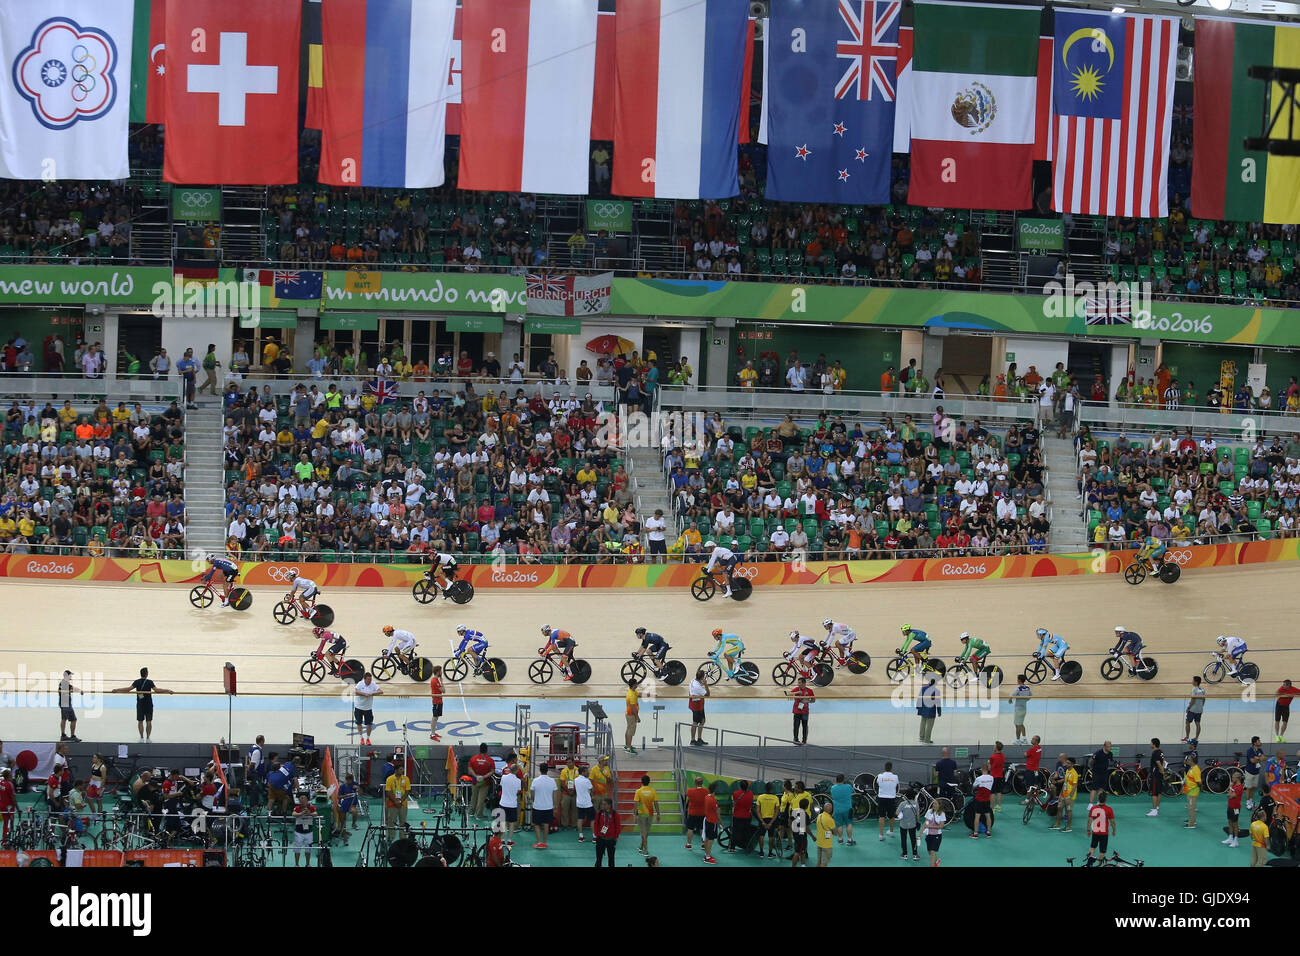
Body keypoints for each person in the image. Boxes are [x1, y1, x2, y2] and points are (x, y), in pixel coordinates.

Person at [111, 667, 174, 743]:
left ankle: (141, 738)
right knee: (149, 721)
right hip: (148, 705)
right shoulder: (150, 682)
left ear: (140, 674)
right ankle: (148, 738)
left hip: (140, 704)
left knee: (140, 721)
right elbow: (157, 690)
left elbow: (128, 689)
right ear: (147, 674)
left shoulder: (137, 682)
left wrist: (117, 690)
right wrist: (167, 690)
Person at [530, 763, 558, 850]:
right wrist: (555, 805)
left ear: (540, 770)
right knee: (546, 824)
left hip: (537, 806)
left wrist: (534, 800)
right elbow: (555, 795)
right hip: (548, 807)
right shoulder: (552, 781)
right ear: (547, 770)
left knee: (537, 824)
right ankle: (545, 842)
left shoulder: (535, 781)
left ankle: (539, 842)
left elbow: (532, 794)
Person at [633, 773, 661, 855]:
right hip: (650, 814)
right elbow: (656, 803)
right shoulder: (653, 791)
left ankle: (646, 850)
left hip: (641, 814)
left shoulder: (638, 791)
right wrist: (658, 814)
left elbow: (636, 804)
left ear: (641, 782)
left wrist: (635, 815)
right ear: (649, 782)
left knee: (643, 833)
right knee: (646, 832)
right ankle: (641, 846)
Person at [352, 671, 382, 745]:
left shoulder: (373, 684)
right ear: (364, 679)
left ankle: (368, 739)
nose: (369, 681)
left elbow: (381, 691)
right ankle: (361, 738)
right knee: (359, 723)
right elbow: (355, 691)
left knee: (369, 724)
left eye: (370, 680)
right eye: (368, 680)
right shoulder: (360, 683)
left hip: (368, 708)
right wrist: (364, 694)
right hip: (358, 707)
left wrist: (372, 693)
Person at [1086, 793, 1116, 864]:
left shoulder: (1093, 808)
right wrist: (1114, 830)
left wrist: (1088, 830)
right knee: (1102, 851)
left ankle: (1089, 863)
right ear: (1105, 800)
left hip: (1095, 832)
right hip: (1104, 834)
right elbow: (1112, 822)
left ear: (1098, 799)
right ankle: (1099, 865)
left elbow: (1089, 820)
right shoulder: (1109, 809)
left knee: (1092, 847)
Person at [383, 761, 411, 838]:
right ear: (396, 770)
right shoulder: (389, 779)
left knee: (403, 822)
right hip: (392, 804)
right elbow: (388, 792)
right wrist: (395, 801)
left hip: (403, 804)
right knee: (391, 822)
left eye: (403, 769)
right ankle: (391, 837)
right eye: (401, 769)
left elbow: (407, 791)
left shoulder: (406, 779)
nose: (403, 771)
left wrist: (400, 801)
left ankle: (402, 838)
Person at [468, 743, 496, 818]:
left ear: (479, 749)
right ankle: (479, 814)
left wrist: (476, 776)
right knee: (481, 798)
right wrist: (483, 777)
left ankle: (471, 812)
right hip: (485, 782)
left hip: (475, 780)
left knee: (473, 797)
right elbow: (492, 771)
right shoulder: (490, 760)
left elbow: (470, 769)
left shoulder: (473, 759)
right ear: (486, 750)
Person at [754, 782, 781, 858]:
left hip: (762, 818)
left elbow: (757, 810)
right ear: (772, 789)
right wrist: (771, 823)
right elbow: (776, 811)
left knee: (761, 835)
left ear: (765, 788)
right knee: (771, 836)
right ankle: (770, 853)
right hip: (771, 820)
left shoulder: (760, 797)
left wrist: (762, 821)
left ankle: (761, 852)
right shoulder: (775, 798)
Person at [291, 791, 317, 866]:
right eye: (300, 800)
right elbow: (293, 814)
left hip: (309, 832)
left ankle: (308, 864)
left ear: (307, 801)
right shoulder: (297, 808)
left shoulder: (311, 807)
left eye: (303, 800)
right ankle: (296, 864)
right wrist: (301, 814)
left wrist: (309, 814)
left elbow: (315, 814)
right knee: (297, 850)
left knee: (308, 849)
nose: (302, 802)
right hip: (298, 832)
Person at [786, 677, 815, 744]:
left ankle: (804, 740)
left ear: (804, 683)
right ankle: (795, 740)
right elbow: (788, 694)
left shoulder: (810, 691)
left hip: (805, 712)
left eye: (800, 683)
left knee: (805, 727)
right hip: (797, 711)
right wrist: (797, 692)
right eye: (798, 683)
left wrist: (807, 701)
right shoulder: (796, 689)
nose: (798, 684)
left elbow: (813, 700)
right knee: (796, 726)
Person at [593, 797, 621, 867]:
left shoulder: (615, 814)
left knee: (611, 859)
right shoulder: (599, 813)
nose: (602, 806)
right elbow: (596, 824)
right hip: (600, 839)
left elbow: (618, 827)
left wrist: (615, 837)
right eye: (602, 804)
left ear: (609, 805)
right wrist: (597, 835)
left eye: (604, 804)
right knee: (598, 859)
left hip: (611, 839)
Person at [876, 761, 900, 842]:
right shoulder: (895, 777)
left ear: (885, 768)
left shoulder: (880, 776)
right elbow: (896, 785)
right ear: (891, 768)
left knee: (881, 816)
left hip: (882, 798)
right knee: (891, 816)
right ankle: (891, 831)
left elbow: (878, 784)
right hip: (891, 799)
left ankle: (881, 835)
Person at [830, 773, 855, 846]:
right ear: (843, 780)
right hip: (848, 809)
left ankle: (840, 839)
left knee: (839, 825)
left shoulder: (833, 788)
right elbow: (852, 791)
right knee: (849, 824)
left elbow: (832, 796)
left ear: (836, 780)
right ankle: (849, 840)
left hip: (837, 810)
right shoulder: (848, 786)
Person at [923, 797, 949, 867]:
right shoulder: (929, 811)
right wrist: (919, 834)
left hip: (937, 835)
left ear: (939, 805)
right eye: (933, 803)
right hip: (929, 834)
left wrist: (930, 827)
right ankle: (937, 860)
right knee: (929, 851)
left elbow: (941, 826)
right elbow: (925, 823)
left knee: (932, 852)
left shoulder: (942, 814)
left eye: (935, 803)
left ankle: (932, 865)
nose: (933, 805)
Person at [729, 780, 754, 854]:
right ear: (747, 786)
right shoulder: (751, 794)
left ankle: (732, 848)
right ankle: (745, 846)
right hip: (747, 816)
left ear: (740, 786)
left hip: (737, 816)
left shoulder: (735, 793)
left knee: (735, 831)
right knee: (746, 831)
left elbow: (734, 802)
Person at [897, 788, 921, 861]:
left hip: (903, 825)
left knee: (903, 839)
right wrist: (917, 822)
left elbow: (897, 812)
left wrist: (901, 815)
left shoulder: (902, 804)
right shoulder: (916, 804)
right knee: (913, 839)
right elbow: (918, 815)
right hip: (912, 825)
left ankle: (904, 854)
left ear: (906, 796)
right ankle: (915, 854)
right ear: (914, 796)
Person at [1056, 756, 1078, 832]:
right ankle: (1057, 824)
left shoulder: (1074, 774)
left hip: (1070, 796)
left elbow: (1074, 786)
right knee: (1059, 808)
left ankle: (1068, 827)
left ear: (1072, 764)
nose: (1066, 764)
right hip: (1063, 794)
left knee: (1069, 811)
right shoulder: (1067, 771)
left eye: (1068, 763)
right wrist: (1060, 794)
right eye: (1066, 762)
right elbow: (1065, 783)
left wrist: (1070, 797)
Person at [815, 799, 839, 867]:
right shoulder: (830, 820)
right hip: (827, 845)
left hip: (819, 843)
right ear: (831, 810)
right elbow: (835, 833)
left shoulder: (819, 816)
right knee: (824, 863)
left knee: (819, 862)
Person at [703, 781, 723, 865]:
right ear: (715, 790)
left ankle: (706, 855)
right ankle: (707, 857)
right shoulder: (713, 800)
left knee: (707, 838)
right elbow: (717, 813)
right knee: (711, 840)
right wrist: (721, 822)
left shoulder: (706, 797)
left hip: (707, 820)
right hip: (712, 822)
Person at [57, 670, 80, 742]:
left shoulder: (63, 682)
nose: (71, 676)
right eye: (70, 675)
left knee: (64, 719)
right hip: (66, 703)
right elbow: (73, 688)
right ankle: (72, 736)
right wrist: (80, 691)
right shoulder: (64, 683)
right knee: (73, 719)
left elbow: (71, 688)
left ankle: (63, 735)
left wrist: (79, 690)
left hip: (63, 703)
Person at [688, 669, 709, 745]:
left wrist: (701, 683)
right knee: (695, 722)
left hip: (696, 703)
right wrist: (706, 684)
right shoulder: (698, 687)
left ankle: (699, 739)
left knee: (702, 721)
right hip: (697, 705)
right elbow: (708, 694)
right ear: (702, 677)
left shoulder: (693, 681)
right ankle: (692, 740)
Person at [1146, 738, 1166, 817]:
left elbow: (1158, 763)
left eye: (1151, 743)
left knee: (1154, 793)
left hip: (1156, 775)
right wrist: (1163, 770)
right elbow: (1164, 761)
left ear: (1154, 744)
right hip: (1159, 774)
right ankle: (1157, 807)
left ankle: (1154, 811)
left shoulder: (1155, 753)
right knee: (1159, 791)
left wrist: (1162, 771)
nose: (1150, 744)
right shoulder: (1161, 752)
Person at [1224, 771, 1244, 848]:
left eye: (1233, 778)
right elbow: (1228, 795)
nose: (1232, 779)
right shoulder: (1234, 786)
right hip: (1230, 806)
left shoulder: (1240, 788)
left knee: (1235, 824)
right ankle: (1230, 838)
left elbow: (1231, 796)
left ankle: (1235, 841)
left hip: (1236, 808)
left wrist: (1230, 790)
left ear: (1238, 778)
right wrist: (1231, 788)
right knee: (1229, 822)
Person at [1182, 753, 1202, 829]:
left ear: (1192, 761)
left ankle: (1192, 824)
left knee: (1191, 807)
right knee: (1190, 807)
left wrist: (1198, 788)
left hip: (1193, 791)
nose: (1187, 761)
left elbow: (1199, 782)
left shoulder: (1195, 770)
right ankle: (1191, 820)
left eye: (1189, 760)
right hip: (1189, 790)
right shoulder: (1191, 768)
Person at [1185, 676, 1206, 742]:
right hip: (1199, 710)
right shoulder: (1203, 689)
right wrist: (1201, 707)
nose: (1192, 681)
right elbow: (1204, 700)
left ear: (1196, 682)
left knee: (1187, 722)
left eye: (1193, 680)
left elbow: (1193, 700)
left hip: (1193, 709)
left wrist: (1188, 708)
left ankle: (1187, 737)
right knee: (1198, 723)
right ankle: (1196, 738)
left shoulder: (1194, 689)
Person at [1011, 675, 1031, 744]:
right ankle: (1024, 738)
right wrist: (1024, 700)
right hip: (1024, 709)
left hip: (1018, 709)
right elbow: (1029, 697)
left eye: (1017, 679)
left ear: (1019, 680)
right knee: (1021, 723)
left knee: (1017, 725)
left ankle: (1018, 740)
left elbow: (1012, 695)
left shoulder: (1018, 689)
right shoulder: (1028, 688)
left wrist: (1010, 700)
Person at [428, 665, 444, 741]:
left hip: (439, 700)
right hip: (436, 701)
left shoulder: (436, 680)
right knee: (434, 718)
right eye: (440, 671)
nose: (441, 672)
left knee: (436, 717)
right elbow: (443, 690)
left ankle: (434, 732)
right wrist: (442, 682)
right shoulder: (435, 680)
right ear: (438, 672)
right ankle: (432, 734)